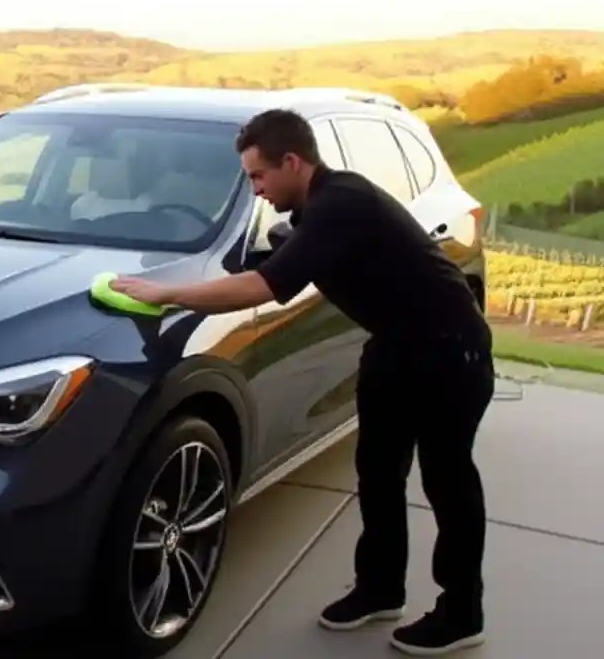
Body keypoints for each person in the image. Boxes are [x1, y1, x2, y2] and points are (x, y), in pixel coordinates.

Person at [110, 108, 495, 656]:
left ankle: (462, 611)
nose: (257, 190)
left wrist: (163, 292)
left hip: (448, 352)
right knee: (379, 473)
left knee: (446, 480)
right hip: (394, 346)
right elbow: (290, 251)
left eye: (258, 176)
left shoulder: (341, 204)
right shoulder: (320, 208)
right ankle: (380, 588)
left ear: (292, 161)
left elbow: (263, 286)